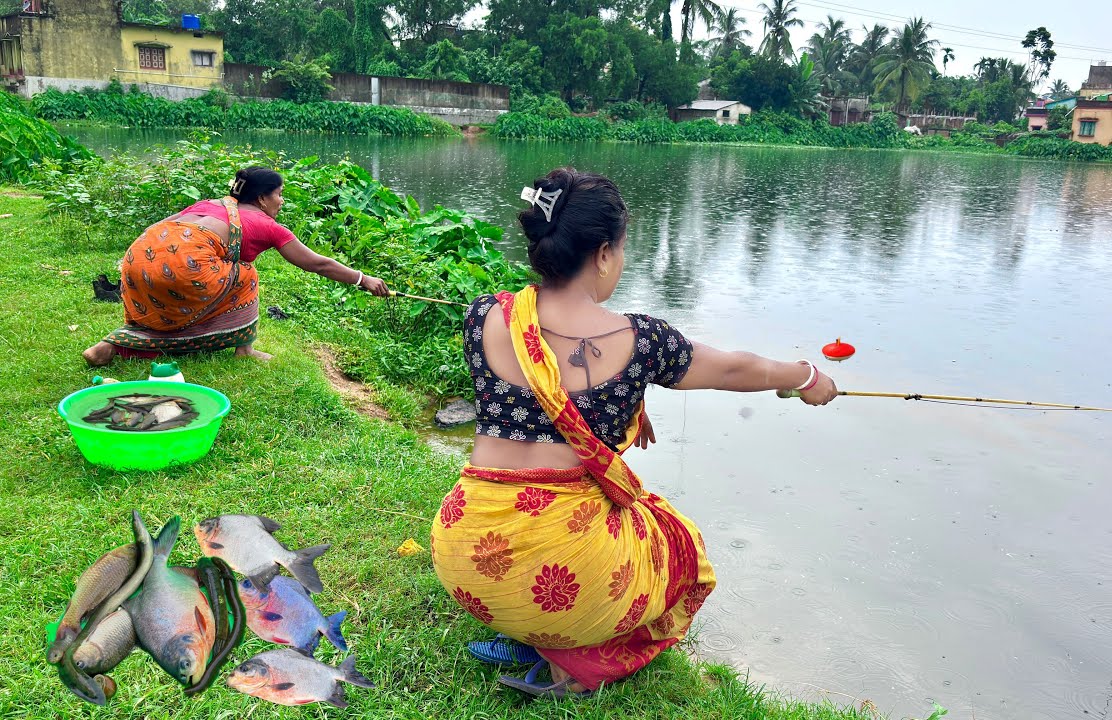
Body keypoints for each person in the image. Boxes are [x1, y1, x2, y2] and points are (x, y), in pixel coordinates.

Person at [430, 168, 837, 698]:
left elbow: (535, 396)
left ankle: (528, 628)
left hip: (463, 556)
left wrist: (625, 405)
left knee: (567, 545)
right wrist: (806, 376)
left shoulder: (484, 315)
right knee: (678, 545)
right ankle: (572, 658)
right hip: (554, 567)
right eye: (621, 249)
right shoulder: (639, 340)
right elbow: (736, 369)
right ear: (603, 254)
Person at [82, 166, 389, 366]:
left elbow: (167, 227)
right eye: (279, 194)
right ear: (262, 198)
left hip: (137, 261)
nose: (282, 201)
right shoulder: (267, 224)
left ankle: (111, 345)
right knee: (246, 274)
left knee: (212, 275)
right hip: (180, 267)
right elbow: (317, 263)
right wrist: (364, 279)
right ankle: (244, 349)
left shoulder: (211, 204)